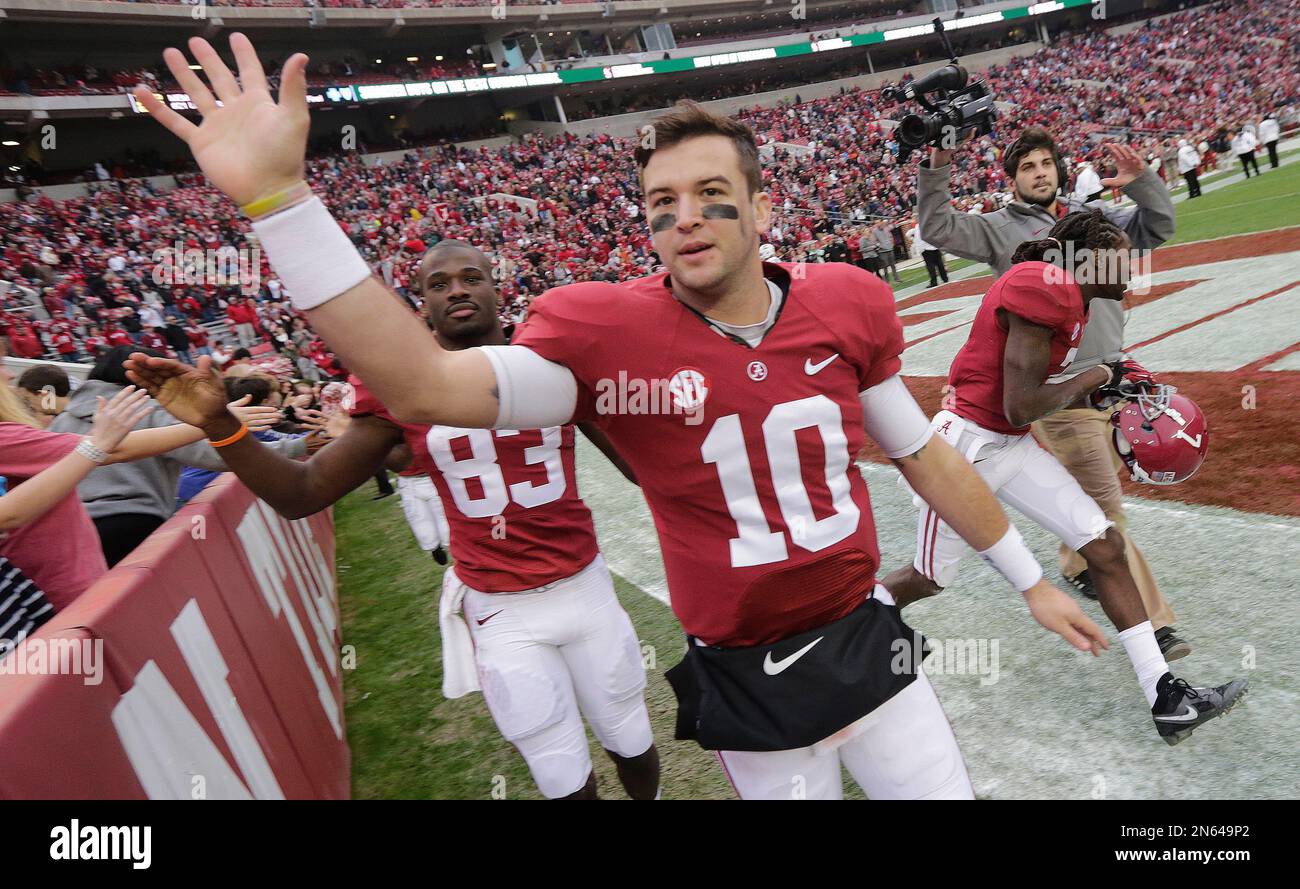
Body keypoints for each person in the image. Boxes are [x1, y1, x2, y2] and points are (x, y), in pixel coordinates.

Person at [133, 39, 1105, 800]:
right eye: (661, 202)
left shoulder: (844, 300)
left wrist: (1027, 579)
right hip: (742, 664)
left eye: (712, 195)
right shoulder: (604, 333)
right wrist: (282, 203)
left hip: (864, 631)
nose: (686, 216)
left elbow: (923, 452)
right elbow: (421, 387)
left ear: (761, 206)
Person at [128, 240, 661, 802]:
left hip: (584, 585)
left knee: (632, 740)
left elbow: (642, 466)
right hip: (501, 608)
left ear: (495, 287)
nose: (457, 290)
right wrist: (220, 425)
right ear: (422, 304)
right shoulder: (402, 391)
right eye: (439, 284)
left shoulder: (551, 362)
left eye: (471, 277)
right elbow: (302, 492)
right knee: (561, 776)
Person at [884, 211, 1246, 745]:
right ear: (1090, 259)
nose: (1131, 267)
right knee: (928, 578)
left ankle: (1166, 697)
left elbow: (1033, 395)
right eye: (1121, 257)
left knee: (1104, 545)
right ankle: (840, 627)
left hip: (1008, 444)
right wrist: (1099, 374)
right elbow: (1022, 404)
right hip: (968, 451)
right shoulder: (1044, 286)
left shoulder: (1072, 297)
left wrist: (1106, 384)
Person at [916, 126, 1188, 659]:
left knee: (1097, 489)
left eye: (1046, 163)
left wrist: (1143, 182)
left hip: (1114, 376)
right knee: (1104, 508)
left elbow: (1158, 226)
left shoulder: (1093, 221)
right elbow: (937, 225)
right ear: (1012, 180)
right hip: (1061, 395)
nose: (1039, 173)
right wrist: (940, 157)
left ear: (1060, 169)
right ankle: (1154, 627)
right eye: (1027, 167)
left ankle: (1076, 561)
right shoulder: (998, 229)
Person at [47, 346, 295, 566]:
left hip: (77, 534)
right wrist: (297, 448)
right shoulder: (148, 410)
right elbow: (216, 454)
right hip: (138, 523)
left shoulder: (60, 422)